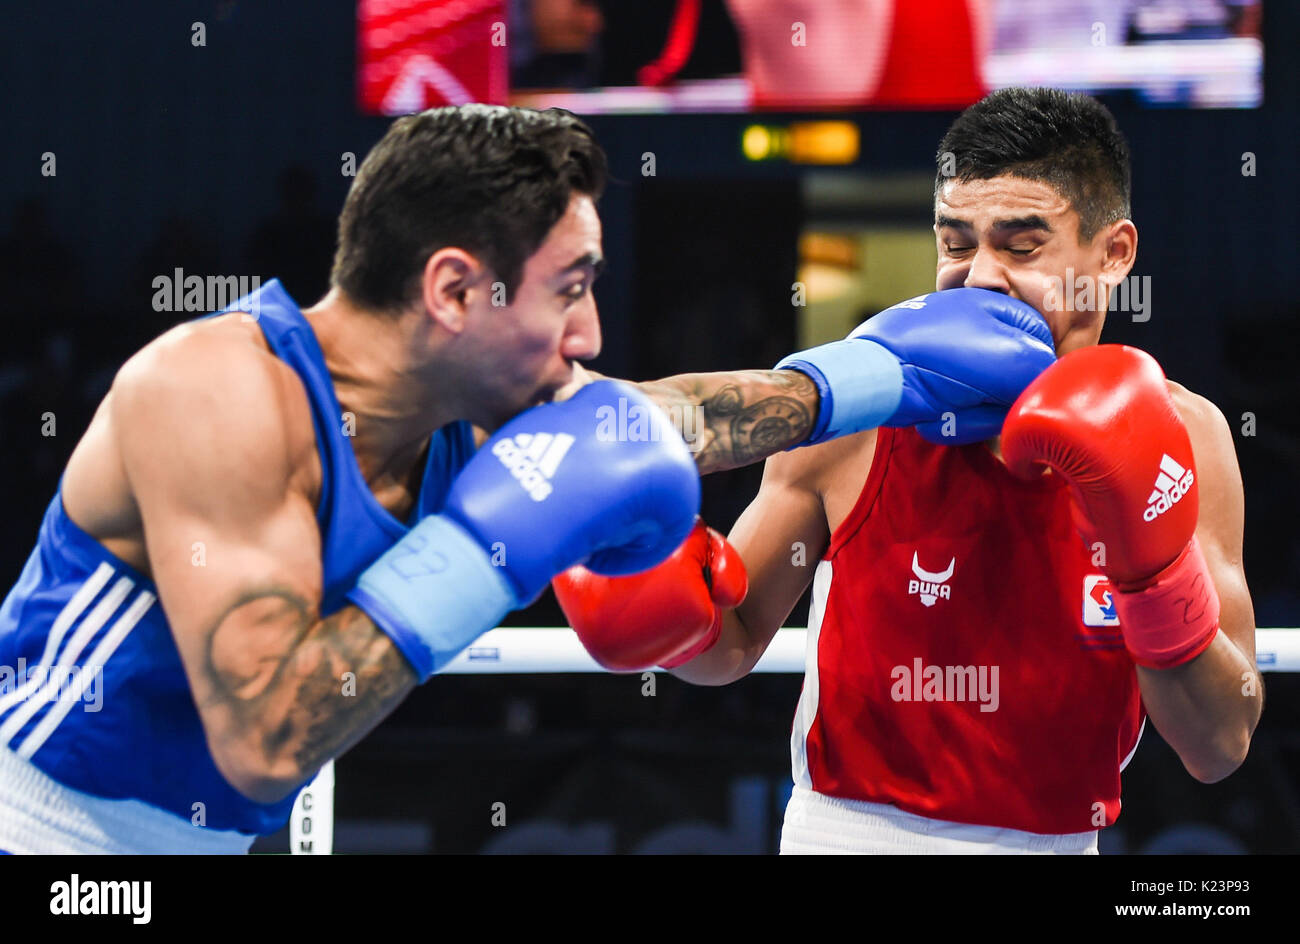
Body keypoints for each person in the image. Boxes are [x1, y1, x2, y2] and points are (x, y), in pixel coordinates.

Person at [0, 104, 1053, 853]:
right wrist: (489, 545)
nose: (590, 332)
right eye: (571, 288)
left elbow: (676, 418)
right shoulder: (216, 393)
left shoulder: (475, 400)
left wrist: (887, 371)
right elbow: (268, 737)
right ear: (456, 289)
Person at [556, 88, 1261, 854]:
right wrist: (659, 598)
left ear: (1113, 254)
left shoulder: (1184, 437)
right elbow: (732, 643)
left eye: (1021, 246)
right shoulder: (864, 416)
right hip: (846, 835)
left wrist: (1152, 576)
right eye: (957, 243)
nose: (981, 277)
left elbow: (1219, 745)